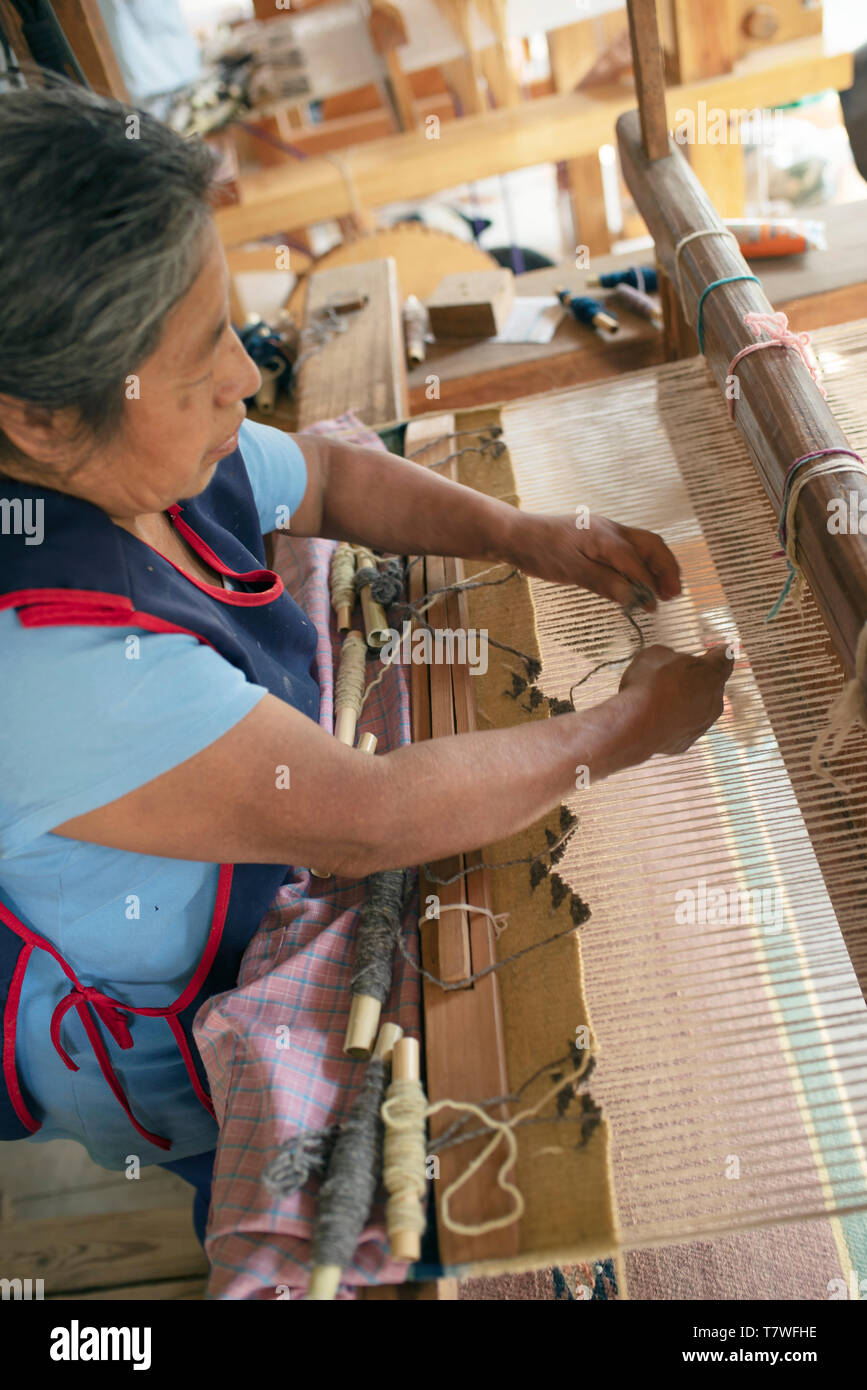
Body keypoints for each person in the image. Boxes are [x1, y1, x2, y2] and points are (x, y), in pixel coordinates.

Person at [0, 80, 732, 1243]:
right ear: (38, 419)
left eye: (230, 326)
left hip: (243, 876)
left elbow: (330, 478)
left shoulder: (135, 459)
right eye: (197, 367)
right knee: (301, 1198)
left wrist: (524, 535)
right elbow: (368, 817)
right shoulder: (51, 663)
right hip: (176, 1022)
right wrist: (625, 728)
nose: (246, 378)